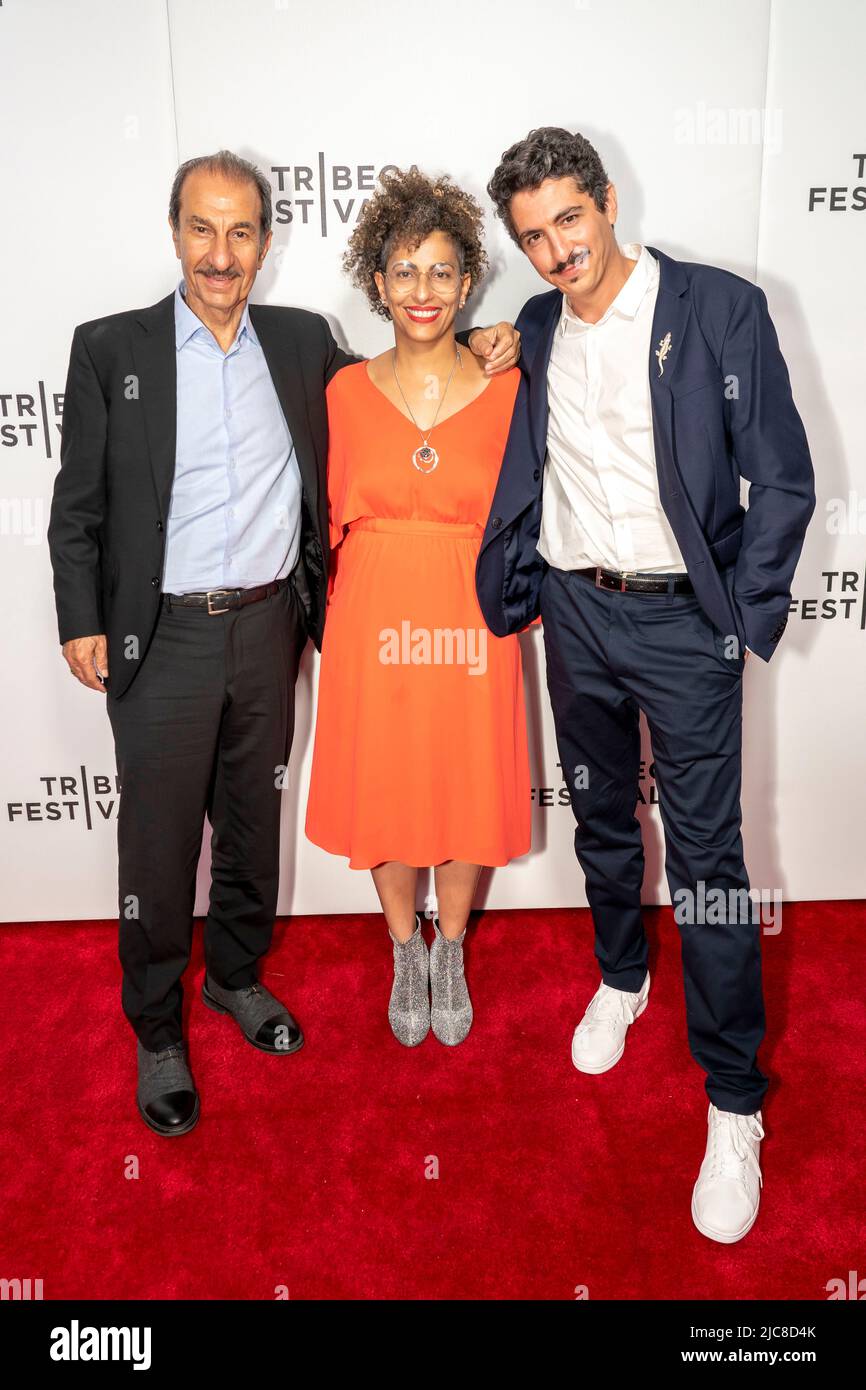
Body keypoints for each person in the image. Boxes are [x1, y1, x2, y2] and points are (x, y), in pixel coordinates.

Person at [47, 149, 519, 1137]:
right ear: (175, 232)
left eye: (242, 230)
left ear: (267, 239)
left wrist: (491, 336)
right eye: (202, 229)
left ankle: (238, 979)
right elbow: (76, 505)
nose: (222, 253)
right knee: (159, 841)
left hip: (271, 625)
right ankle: (156, 1027)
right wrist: (81, 616)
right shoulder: (111, 349)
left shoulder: (303, 346)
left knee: (250, 830)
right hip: (163, 632)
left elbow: (411, 385)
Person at [477, 127, 815, 1241]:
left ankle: (731, 1101)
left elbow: (780, 473)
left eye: (568, 220)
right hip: (574, 612)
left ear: (607, 201)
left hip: (680, 621)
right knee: (602, 821)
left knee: (709, 860)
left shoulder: (717, 308)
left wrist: (743, 616)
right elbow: (518, 368)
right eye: (531, 236)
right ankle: (620, 974)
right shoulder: (532, 325)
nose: (555, 251)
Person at [305, 167, 532, 1047]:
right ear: (377, 283)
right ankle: (406, 944)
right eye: (404, 271)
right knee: (390, 786)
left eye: (442, 271)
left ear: (468, 280)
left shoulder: (511, 384)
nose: (423, 291)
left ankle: (454, 943)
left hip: (472, 612)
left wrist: (502, 339)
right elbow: (321, 516)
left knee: (468, 784)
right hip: (374, 616)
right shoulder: (343, 393)